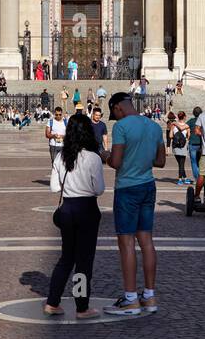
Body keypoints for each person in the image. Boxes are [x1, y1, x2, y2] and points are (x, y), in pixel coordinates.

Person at [105, 91, 166, 315]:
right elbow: (160, 161)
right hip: (148, 185)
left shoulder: (121, 127)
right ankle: (149, 297)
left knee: (127, 242)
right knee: (147, 241)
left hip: (127, 188)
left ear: (117, 108)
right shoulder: (155, 127)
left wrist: (105, 156)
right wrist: (142, 157)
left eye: (115, 113)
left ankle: (131, 298)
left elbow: (117, 162)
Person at [45, 113, 106, 319]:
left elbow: (54, 187)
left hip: (67, 209)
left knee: (66, 258)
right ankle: (81, 307)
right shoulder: (93, 157)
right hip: (87, 209)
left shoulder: (61, 156)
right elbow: (99, 189)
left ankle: (52, 302)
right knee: (83, 261)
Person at [170, 111, 190, 185]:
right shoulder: (187, 126)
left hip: (175, 145)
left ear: (178, 117)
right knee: (181, 163)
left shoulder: (173, 125)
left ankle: (184, 177)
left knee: (180, 163)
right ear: (184, 117)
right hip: (183, 145)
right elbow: (188, 136)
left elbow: (170, 136)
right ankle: (180, 179)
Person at [187, 105, 203, 182]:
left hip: (192, 143)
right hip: (201, 143)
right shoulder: (203, 121)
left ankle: (197, 178)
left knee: (193, 162)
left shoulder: (191, 121)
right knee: (202, 161)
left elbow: (185, 126)